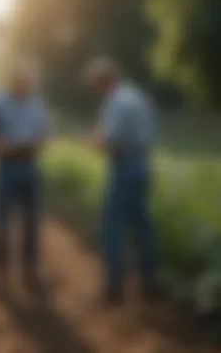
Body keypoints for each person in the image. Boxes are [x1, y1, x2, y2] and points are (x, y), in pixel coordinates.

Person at [83, 57, 161, 305]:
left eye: (95, 84)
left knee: (111, 226)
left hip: (124, 166)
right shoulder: (138, 96)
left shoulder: (116, 101)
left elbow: (109, 139)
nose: (95, 90)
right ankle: (150, 280)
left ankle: (114, 286)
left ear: (103, 81)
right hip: (143, 164)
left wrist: (92, 142)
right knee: (141, 224)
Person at [0, 60, 51, 291]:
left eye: (27, 83)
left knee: (31, 221)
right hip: (6, 166)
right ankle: (1, 273)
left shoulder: (37, 105)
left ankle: (30, 269)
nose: (24, 86)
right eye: (20, 82)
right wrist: (1, 145)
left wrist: (38, 142)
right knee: (2, 221)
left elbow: (45, 134)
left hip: (30, 165)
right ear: (11, 82)